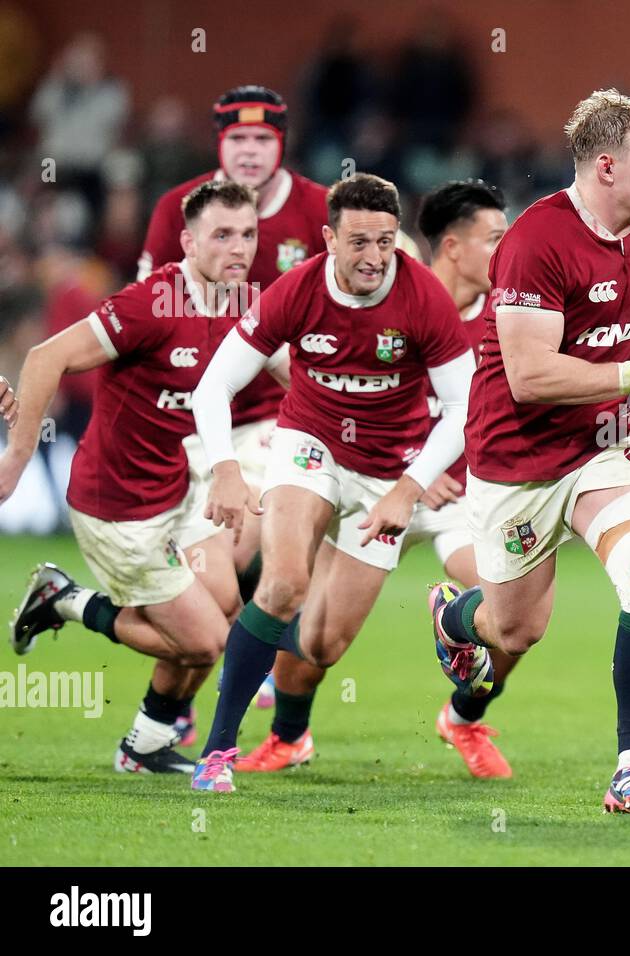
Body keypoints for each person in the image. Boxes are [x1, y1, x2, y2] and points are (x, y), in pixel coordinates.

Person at [430, 89, 630, 815]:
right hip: (514, 457)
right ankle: (453, 618)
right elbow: (530, 378)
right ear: (604, 166)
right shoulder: (535, 242)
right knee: (514, 628)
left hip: (602, 444)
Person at [190, 173, 474, 793]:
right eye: (358, 243)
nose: (374, 257)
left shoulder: (424, 297)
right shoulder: (296, 290)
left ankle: (288, 725)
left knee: (320, 646)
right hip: (309, 442)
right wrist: (227, 469)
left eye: (384, 241)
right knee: (285, 581)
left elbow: (464, 407)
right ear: (328, 238)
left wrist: (410, 485)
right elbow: (213, 385)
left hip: (385, 468)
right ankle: (216, 752)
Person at [1, 181, 264, 773]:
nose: (238, 248)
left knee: (222, 603)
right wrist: (15, 462)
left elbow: (291, 368)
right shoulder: (151, 304)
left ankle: (144, 744)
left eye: (247, 234)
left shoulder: (240, 301)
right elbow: (46, 357)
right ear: (187, 242)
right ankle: (65, 600)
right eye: (221, 235)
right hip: (117, 507)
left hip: (176, 487)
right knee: (203, 642)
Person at [141, 85, 330, 721]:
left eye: (263, 139)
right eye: (238, 139)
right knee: (206, 583)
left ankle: (195, 698)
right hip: (189, 415)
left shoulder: (317, 210)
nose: (250, 151)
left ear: (283, 143)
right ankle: (178, 690)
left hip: (275, 416)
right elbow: (147, 311)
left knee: (242, 548)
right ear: (219, 142)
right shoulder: (178, 209)